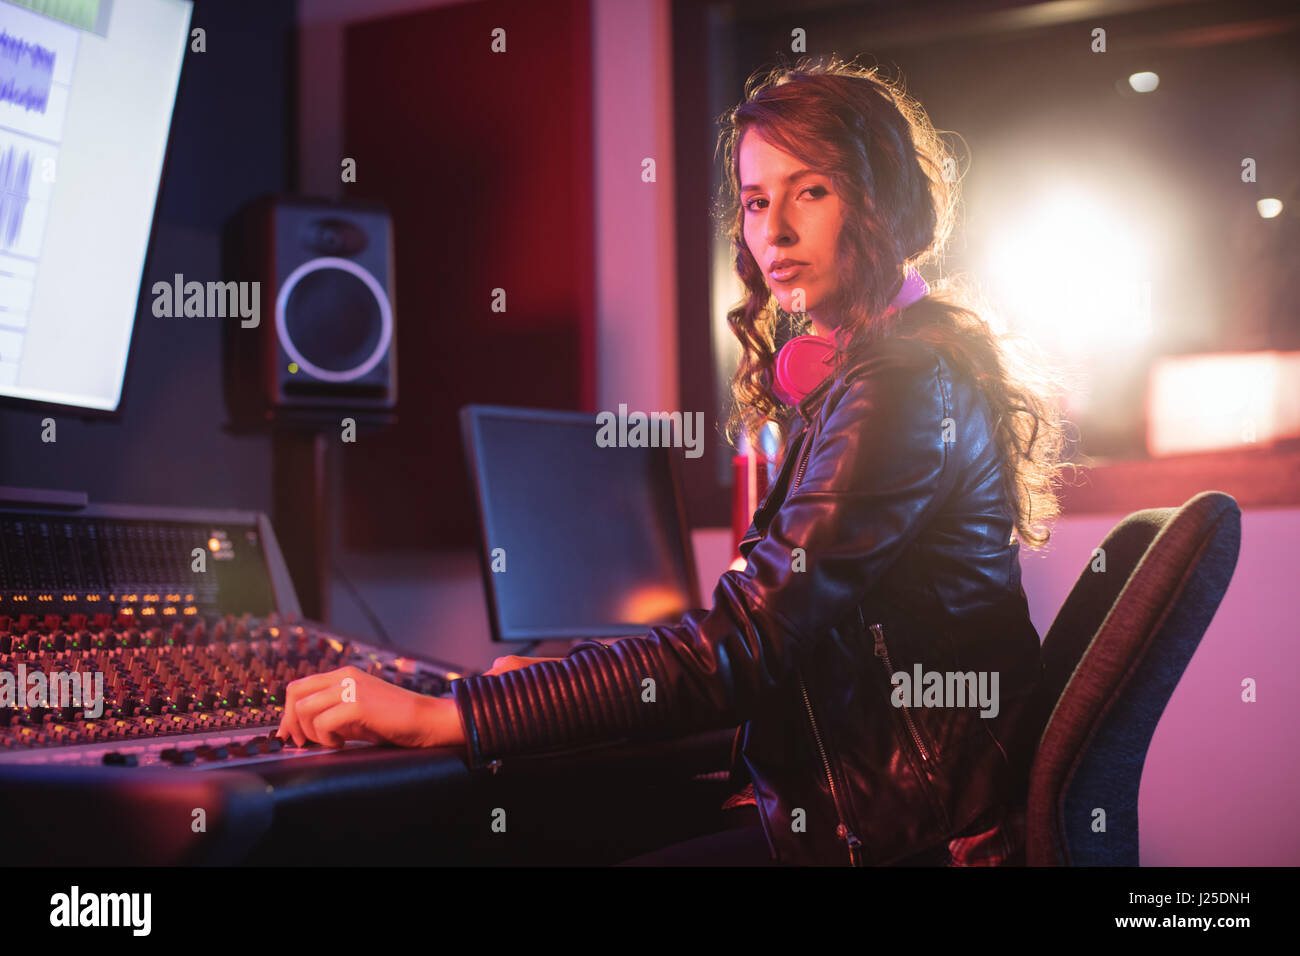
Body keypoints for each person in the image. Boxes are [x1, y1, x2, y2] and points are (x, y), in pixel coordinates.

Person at [276, 55, 1070, 867]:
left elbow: (747, 643)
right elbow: (767, 643)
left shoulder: (899, 387)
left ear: (882, 201)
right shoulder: (893, 370)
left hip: (918, 842)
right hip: (866, 807)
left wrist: (451, 713)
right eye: (756, 201)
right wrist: (529, 694)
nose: (774, 231)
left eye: (810, 191)